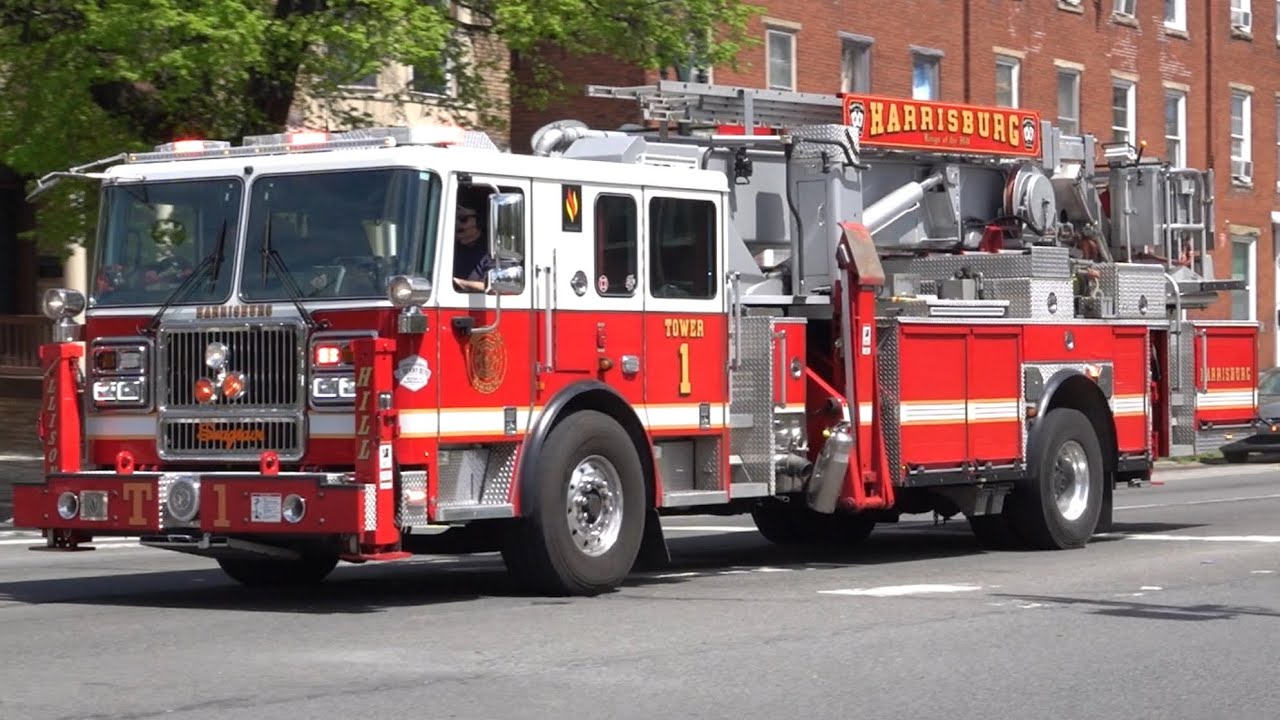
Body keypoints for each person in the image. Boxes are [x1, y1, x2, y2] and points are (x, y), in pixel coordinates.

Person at [452, 202, 493, 292]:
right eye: (453, 218)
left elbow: (492, 287)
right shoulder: (446, 248)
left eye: (463, 219)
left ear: (479, 220)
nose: (456, 224)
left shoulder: (493, 250)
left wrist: (458, 283)